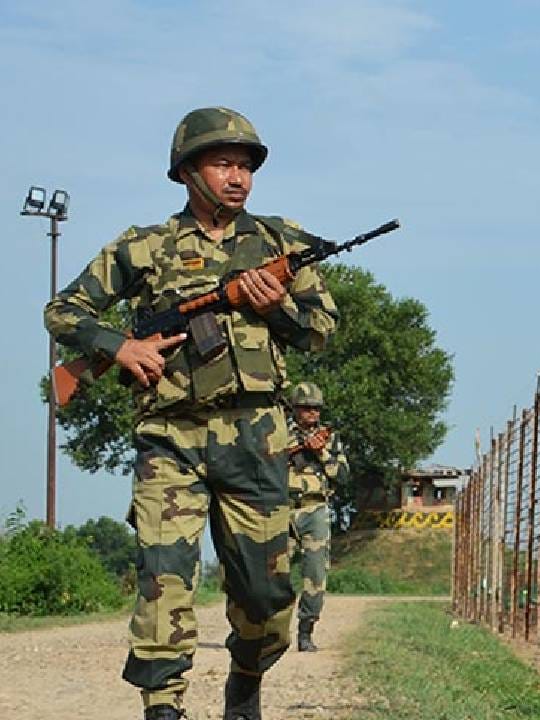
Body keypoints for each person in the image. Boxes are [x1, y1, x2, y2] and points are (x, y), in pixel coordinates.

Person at [44, 107, 339, 720]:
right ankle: (163, 705)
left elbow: (320, 332)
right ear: (186, 171)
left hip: (257, 435)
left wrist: (277, 307)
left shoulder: (283, 241)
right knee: (164, 576)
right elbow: (64, 310)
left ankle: (247, 675)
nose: (238, 177)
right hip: (169, 436)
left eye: (246, 166)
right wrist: (118, 347)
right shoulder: (143, 247)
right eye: (223, 163)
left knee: (267, 595)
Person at [285, 381, 349, 652]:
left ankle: (305, 631)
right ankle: (266, 631)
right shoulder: (279, 432)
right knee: (272, 573)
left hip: (315, 509)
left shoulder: (330, 438)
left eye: (316, 409)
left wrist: (320, 451)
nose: (312, 413)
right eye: (306, 408)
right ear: (295, 409)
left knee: (314, 574)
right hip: (283, 508)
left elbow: (343, 476)